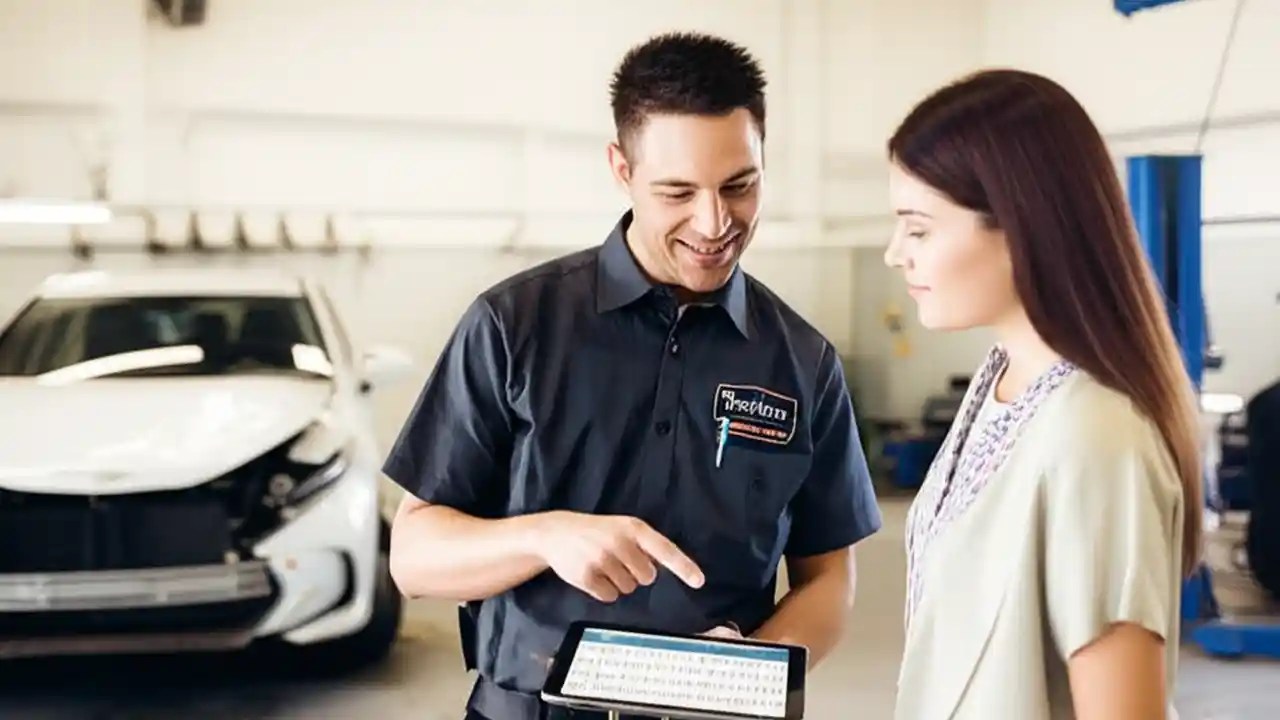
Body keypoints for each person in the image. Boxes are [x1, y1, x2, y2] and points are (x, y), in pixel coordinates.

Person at [383, 31, 882, 720]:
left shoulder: (803, 361)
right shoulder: (514, 325)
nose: (714, 223)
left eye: (740, 186)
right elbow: (413, 557)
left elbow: (830, 578)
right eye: (677, 191)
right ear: (622, 168)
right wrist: (544, 535)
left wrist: (742, 669)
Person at [882, 69, 1203, 720]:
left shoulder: (1096, 433)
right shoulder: (999, 378)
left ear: (1018, 226)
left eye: (918, 230)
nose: (895, 254)